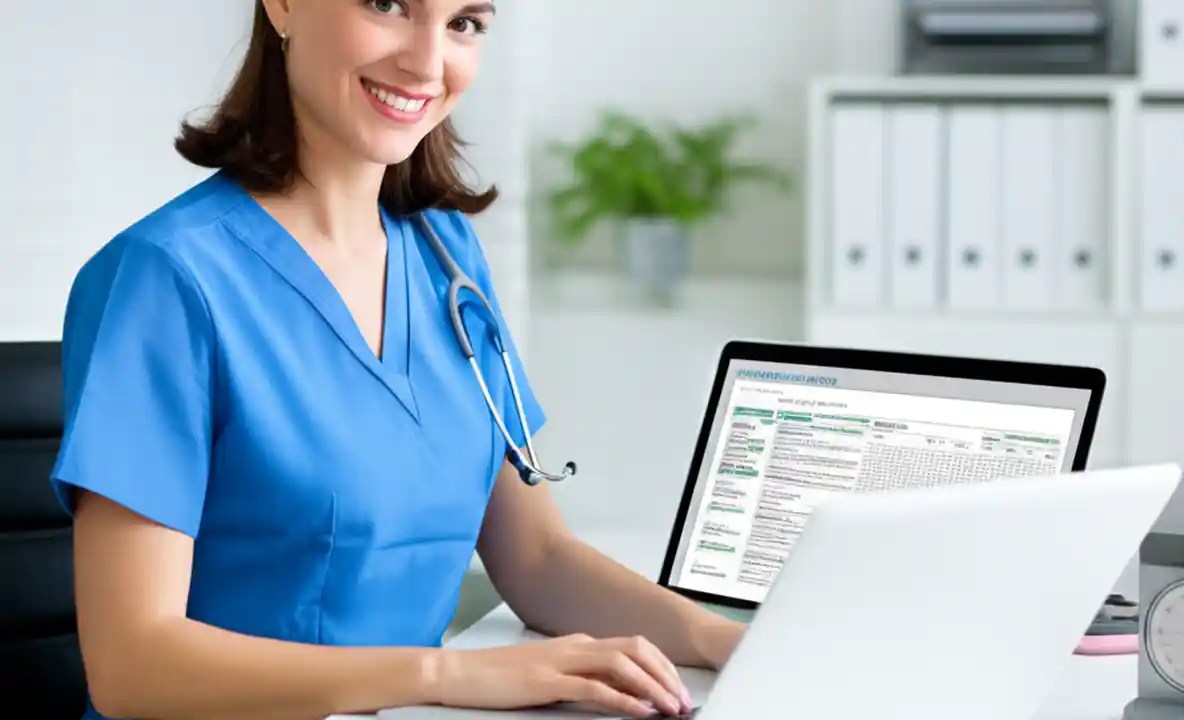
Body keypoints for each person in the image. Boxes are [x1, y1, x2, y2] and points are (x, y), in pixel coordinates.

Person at [51, 1, 746, 718]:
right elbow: (131, 664)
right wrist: (447, 677)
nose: (427, 61)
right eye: (387, 4)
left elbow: (537, 562)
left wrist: (722, 641)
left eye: (464, 23)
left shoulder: (448, 256)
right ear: (282, 6)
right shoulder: (165, 278)